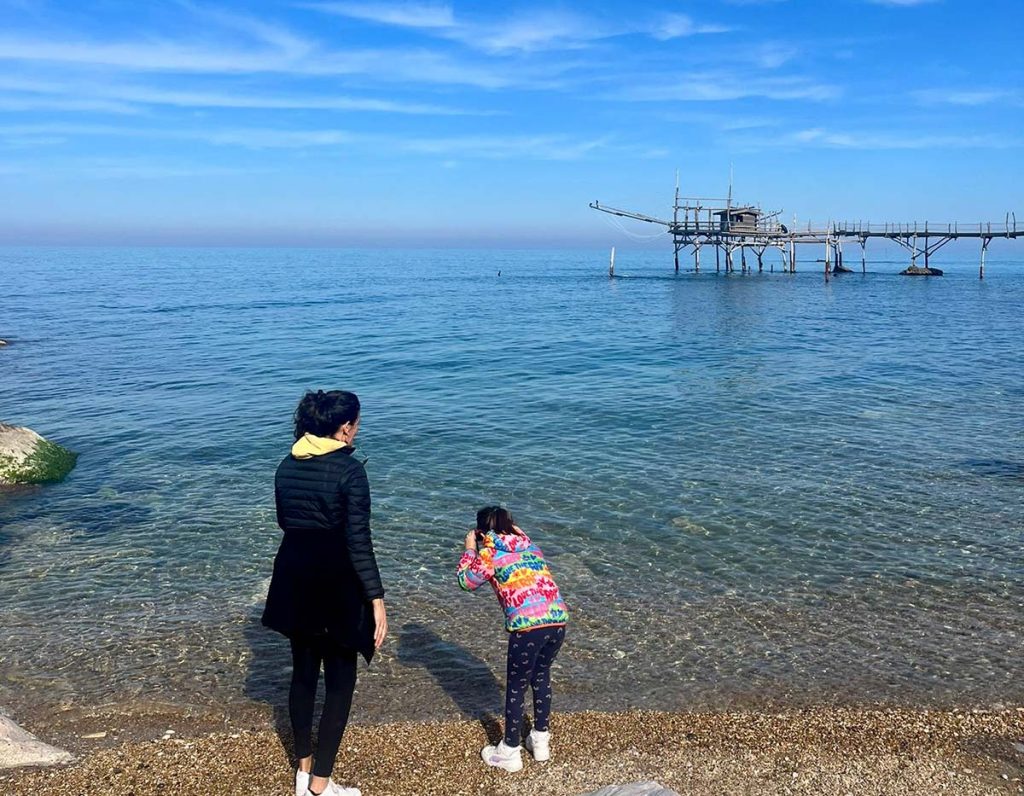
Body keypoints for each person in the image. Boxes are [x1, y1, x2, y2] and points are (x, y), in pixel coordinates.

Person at [262, 390, 387, 796]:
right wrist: (377, 599)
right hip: (336, 582)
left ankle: (303, 773)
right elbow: (358, 541)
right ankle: (321, 784)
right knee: (339, 680)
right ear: (345, 427)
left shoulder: (287, 464)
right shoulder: (350, 472)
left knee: (301, 675)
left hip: (294, 576)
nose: (356, 432)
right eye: (356, 425)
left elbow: (286, 522)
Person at [457, 506, 569, 772]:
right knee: (541, 676)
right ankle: (540, 742)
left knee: (516, 686)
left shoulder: (490, 552)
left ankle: (509, 750)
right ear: (513, 526)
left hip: (528, 627)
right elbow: (518, 541)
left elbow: (465, 581)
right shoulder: (530, 546)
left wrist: (470, 548)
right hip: (558, 621)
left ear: (482, 532)